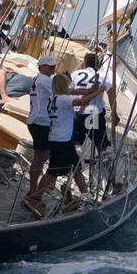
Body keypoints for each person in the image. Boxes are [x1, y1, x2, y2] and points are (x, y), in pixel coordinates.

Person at [23, 72, 103, 218]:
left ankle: (85, 196)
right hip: (61, 141)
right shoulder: (64, 99)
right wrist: (99, 92)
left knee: (76, 167)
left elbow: (75, 96)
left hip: (60, 138)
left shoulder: (52, 99)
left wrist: (88, 91)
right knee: (53, 171)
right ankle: (36, 198)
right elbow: (81, 102)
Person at [23, 55, 58, 202]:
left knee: (42, 156)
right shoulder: (45, 80)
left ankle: (35, 189)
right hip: (41, 122)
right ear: (41, 67)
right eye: (49, 66)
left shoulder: (37, 79)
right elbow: (60, 94)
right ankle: (34, 191)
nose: (53, 68)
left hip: (35, 120)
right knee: (41, 156)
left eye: (53, 66)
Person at [71, 51, 116, 153]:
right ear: (98, 64)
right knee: (101, 143)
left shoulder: (75, 74)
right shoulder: (102, 75)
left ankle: (74, 162)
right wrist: (114, 114)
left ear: (85, 63)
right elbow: (111, 95)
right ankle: (100, 162)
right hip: (93, 115)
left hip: (78, 114)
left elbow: (68, 92)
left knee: (76, 142)